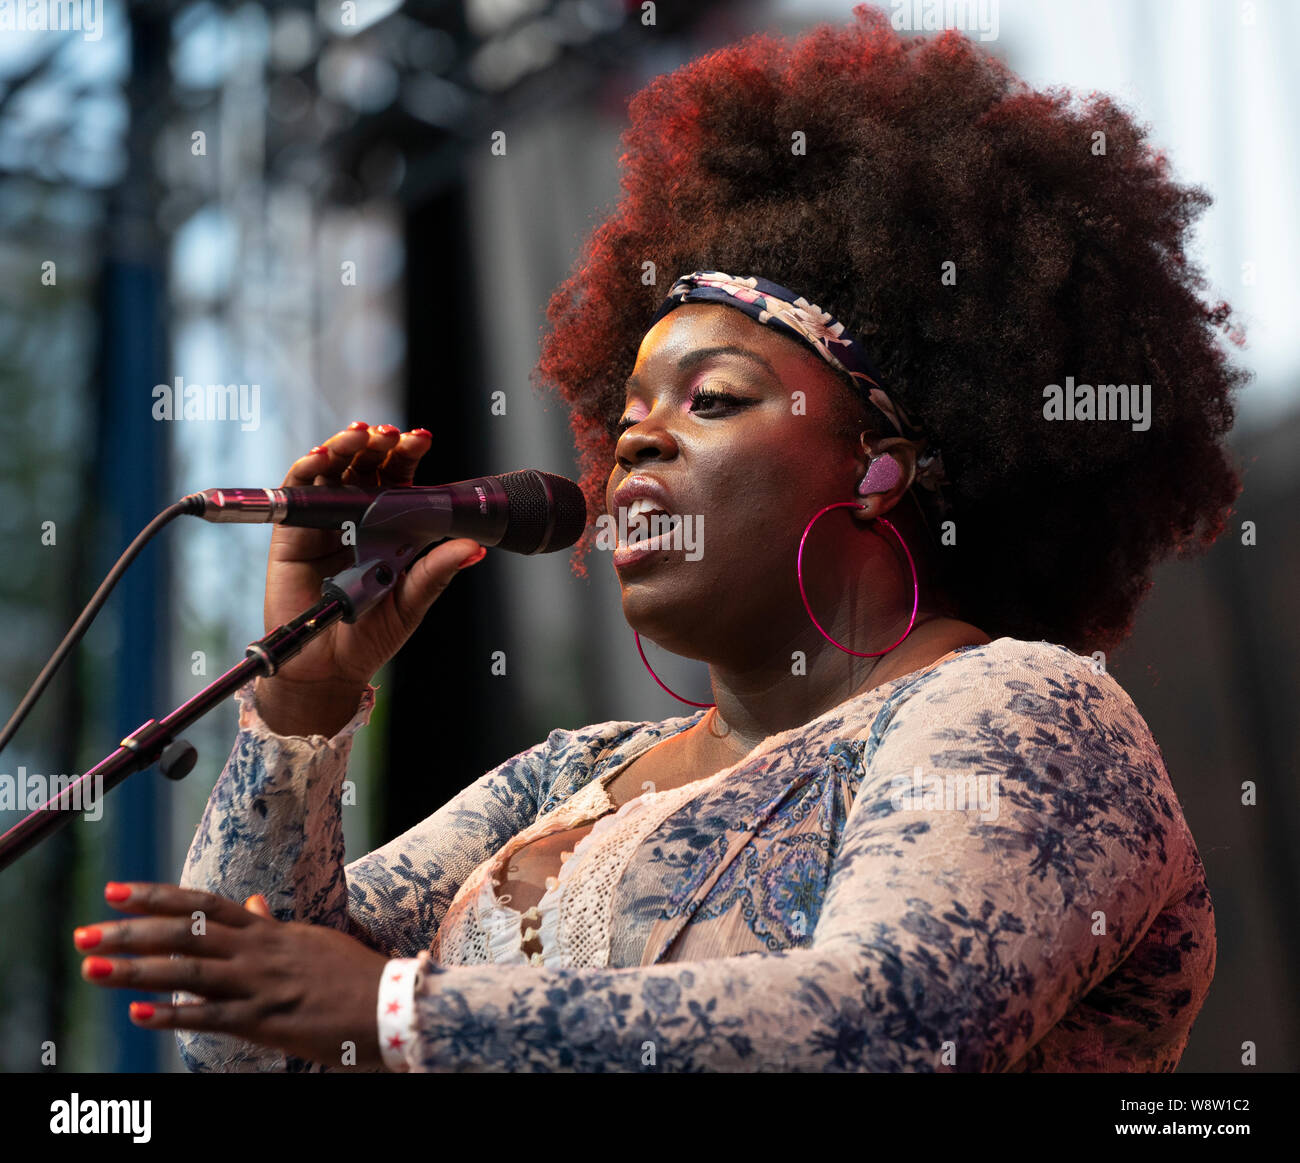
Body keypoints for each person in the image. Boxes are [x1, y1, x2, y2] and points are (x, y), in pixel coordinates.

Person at [72, 6, 1241, 1072]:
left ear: (886, 464)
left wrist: (397, 1012)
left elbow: (886, 1027)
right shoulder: (569, 775)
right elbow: (247, 1041)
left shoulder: (1023, 706)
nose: (633, 450)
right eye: (624, 420)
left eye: (712, 400)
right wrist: (305, 699)